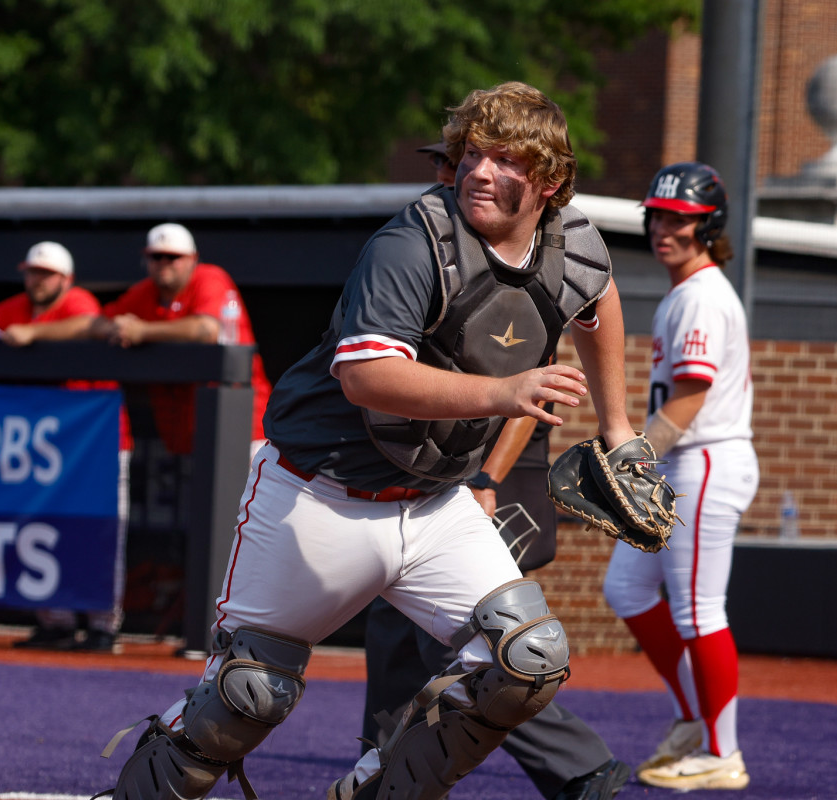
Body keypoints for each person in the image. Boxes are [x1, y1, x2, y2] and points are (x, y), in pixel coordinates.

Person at [95, 81, 641, 800]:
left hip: (433, 502)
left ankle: (379, 791)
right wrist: (504, 393)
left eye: (505, 158)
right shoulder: (411, 242)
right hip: (319, 495)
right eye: (472, 153)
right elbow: (367, 376)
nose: (479, 170)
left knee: (528, 658)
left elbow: (597, 299)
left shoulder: (573, 243)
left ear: (550, 180)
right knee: (247, 696)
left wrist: (620, 429)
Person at [357, 142, 629, 800]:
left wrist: (487, 480)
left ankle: (580, 767)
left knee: (465, 636)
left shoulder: (531, 257)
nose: (451, 175)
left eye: (458, 164)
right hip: (429, 475)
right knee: (396, 623)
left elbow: (530, 391)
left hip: (494, 475)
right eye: (450, 162)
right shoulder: (428, 244)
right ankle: (381, 768)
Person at [601, 161, 758, 791]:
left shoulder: (700, 295)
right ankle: (694, 718)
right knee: (627, 589)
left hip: (705, 459)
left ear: (709, 226)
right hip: (681, 461)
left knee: (698, 609)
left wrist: (629, 461)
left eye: (683, 221)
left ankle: (723, 751)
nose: (666, 229)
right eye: (660, 217)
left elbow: (691, 398)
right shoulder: (687, 290)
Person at [0, 241, 132, 651]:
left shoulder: (78, 300)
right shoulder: (20, 304)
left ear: (65, 278)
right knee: (47, 528)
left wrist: (32, 334)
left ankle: (102, 625)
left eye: (46, 273)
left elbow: (91, 324)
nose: (37, 279)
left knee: (100, 531)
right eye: (32, 271)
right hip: (48, 445)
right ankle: (56, 622)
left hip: (99, 441)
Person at [89, 222, 271, 457]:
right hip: (184, 429)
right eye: (157, 256)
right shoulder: (145, 292)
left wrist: (143, 331)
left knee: (237, 493)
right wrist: (118, 328)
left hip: (239, 423)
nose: (164, 262)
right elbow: (96, 323)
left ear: (193, 258)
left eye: (173, 256)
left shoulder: (210, 278)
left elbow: (207, 330)